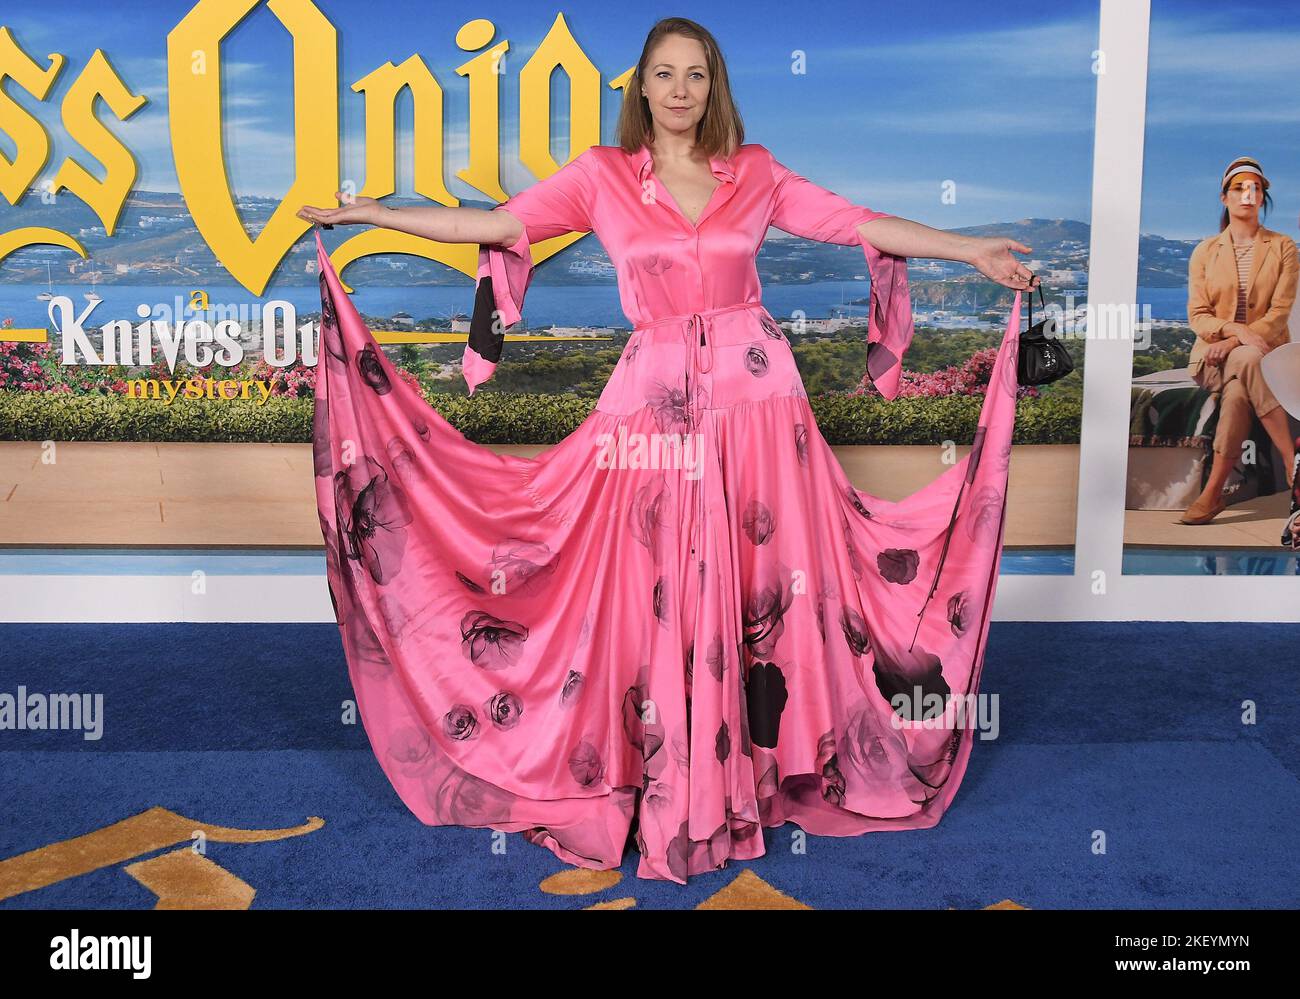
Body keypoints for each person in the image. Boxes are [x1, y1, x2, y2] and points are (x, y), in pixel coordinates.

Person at [295, 17, 1036, 884]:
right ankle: (673, 780)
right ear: (640, 89)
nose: (680, 90)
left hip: (762, 415)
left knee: (765, 589)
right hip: (649, 419)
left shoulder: (754, 172)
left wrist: (970, 246)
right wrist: (375, 214)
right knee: (656, 588)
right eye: (664, 74)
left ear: (711, 87)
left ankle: (753, 777)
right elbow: (493, 222)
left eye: (695, 75)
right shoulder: (602, 178)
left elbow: (860, 224)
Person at [1179, 156, 1298, 525]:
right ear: (1224, 197)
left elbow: (1279, 313)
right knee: (1245, 360)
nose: (1248, 195)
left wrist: (1236, 340)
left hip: (1263, 357)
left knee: (1239, 386)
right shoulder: (1204, 251)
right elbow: (1198, 315)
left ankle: (1213, 492)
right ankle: (1292, 464)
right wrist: (1235, 331)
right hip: (1211, 360)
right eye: (1239, 188)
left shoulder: (1284, 248)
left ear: (1262, 197)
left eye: (1255, 188)